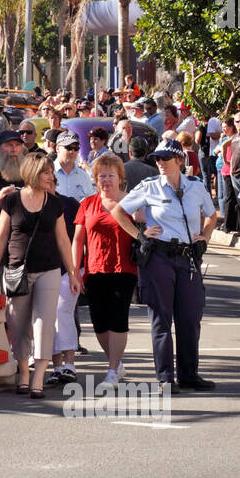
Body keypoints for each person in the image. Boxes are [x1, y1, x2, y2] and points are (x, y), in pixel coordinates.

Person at [110, 138, 218, 390]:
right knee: (161, 319)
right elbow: (118, 211)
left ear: (180, 160)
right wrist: (139, 235)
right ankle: (165, 378)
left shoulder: (195, 186)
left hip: (188, 257)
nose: (160, 163)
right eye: (157, 158)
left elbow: (212, 214)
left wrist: (206, 236)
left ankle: (189, 374)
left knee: (189, 318)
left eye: (165, 158)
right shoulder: (150, 187)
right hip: (159, 257)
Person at [0, 153, 82, 398]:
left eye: (51, 172)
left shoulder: (55, 203)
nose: (51, 176)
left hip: (49, 269)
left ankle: (37, 378)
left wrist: (72, 273)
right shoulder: (12, 201)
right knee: (18, 325)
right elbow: (0, 238)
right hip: (17, 270)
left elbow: (63, 239)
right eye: (45, 172)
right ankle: (24, 373)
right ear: (32, 173)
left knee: (44, 323)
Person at [72, 153, 136, 385]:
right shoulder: (88, 203)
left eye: (111, 175)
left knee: (118, 319)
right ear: (95, 179)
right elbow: (78, 240)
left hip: (124, 269)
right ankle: (116, 363)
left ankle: (111, 371)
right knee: (99, 322)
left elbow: (149, 223)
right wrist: (74, 270)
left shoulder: (131, 201)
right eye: (101, 176)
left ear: (120, 177)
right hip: (95, 269)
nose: (106, 180)